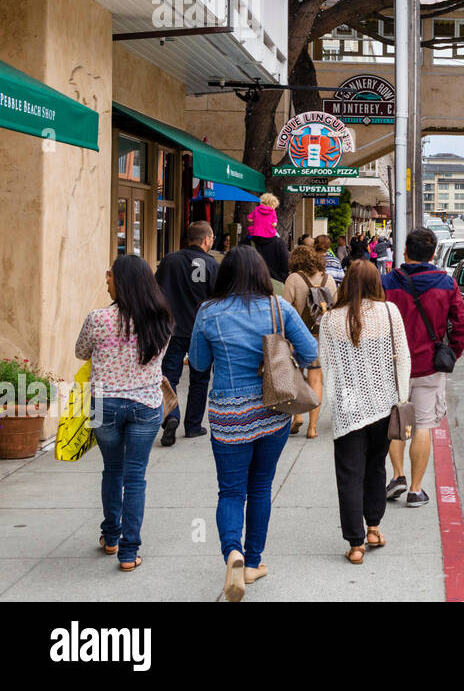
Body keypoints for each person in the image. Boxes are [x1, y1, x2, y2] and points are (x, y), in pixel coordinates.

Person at [187, 246, 317, 602]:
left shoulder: (208, 312)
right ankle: (253, 562)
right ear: (262, 274)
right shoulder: (279, 308)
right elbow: (310, 353)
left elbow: (198, 364)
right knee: (260, 488)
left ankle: (232, 552)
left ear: (224, 274)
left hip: (228, 414)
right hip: (271, 411)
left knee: (230, 491)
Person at [76, 254, 174, 572]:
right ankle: (129, 552)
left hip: (105, 405)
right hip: (146, 404)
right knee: (135, 478)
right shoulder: (162, 318)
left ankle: (111, 536)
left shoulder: (98, 318)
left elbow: (80, 352)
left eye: (110, 275)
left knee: (112, 470)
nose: (107, 280)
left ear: (122, 281)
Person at [318, 261, 411, 565]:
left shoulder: (329, 320)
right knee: (375, 467)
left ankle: (355, 544)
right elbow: (403, 360)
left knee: (348, 474)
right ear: (376, 282)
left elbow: (326, 366)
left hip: (347, 407)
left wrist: (334, 403)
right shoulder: (389, 313)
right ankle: (373, 528)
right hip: (384, 404)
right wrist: (402, 399)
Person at [382, 228, 464, 508]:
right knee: (423, 425)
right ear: (433, 254)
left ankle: (398, 476)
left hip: (394, 366)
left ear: (404, 251)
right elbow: (462, 326)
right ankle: (416, 490)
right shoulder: (445, 284)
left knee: (396, 421)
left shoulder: (386, 283)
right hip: (429, 366)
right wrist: (450, 354)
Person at [154, 221, 219, 446]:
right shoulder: (212, 265)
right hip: (201, 331)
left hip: (172, 329)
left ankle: (171, 416)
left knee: (169, 377)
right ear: (206, 240)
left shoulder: (169, 261)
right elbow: (218, 299)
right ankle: (193, 425)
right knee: (199, 379)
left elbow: (156, 291)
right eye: (211, 238)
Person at [284, 245, 338, 439]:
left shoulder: (293, 279)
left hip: (297, 337)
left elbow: (285, 308)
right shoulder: (329, 279)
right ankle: (312, 427)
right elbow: (335, 309)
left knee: (296, 377)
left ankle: (297, 415)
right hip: (320, 338)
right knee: (316, 379)